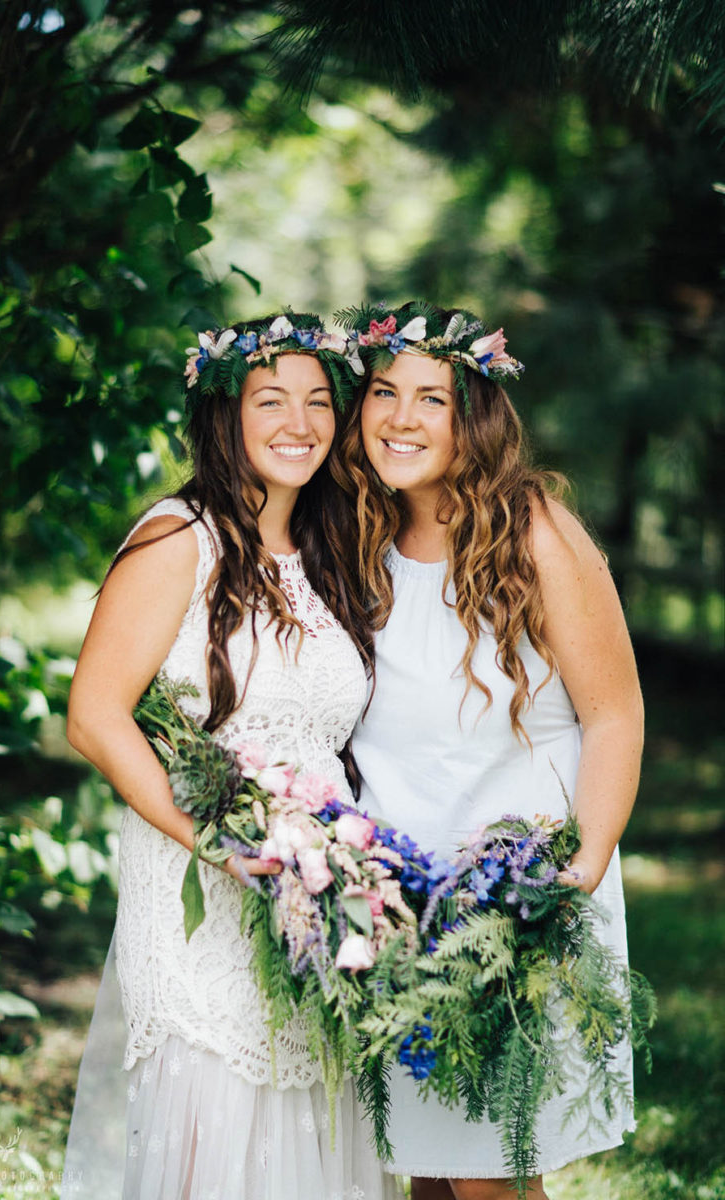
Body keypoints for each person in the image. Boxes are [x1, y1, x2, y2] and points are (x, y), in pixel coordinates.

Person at [63, 312, 402, 1200]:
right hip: (203, 888)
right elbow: (95, 718)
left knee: (310, 1123)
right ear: (226, 414)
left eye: (319, 401)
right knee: (217, 1128)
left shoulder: (329, 552)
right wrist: (219, 844)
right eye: (271, 400)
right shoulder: (179, 539)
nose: (300, 423)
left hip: (321, 889)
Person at [338, 301, 644, 1200]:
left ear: (474, 415)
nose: (401, 417)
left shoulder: (536, 531)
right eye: (384, 392)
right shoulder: (354, 533)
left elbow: (616, 714)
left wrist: (573, 880)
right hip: (396, 896)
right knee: (426, 1171)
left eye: (431, 398)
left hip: (515, 890)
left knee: (491, 1177)